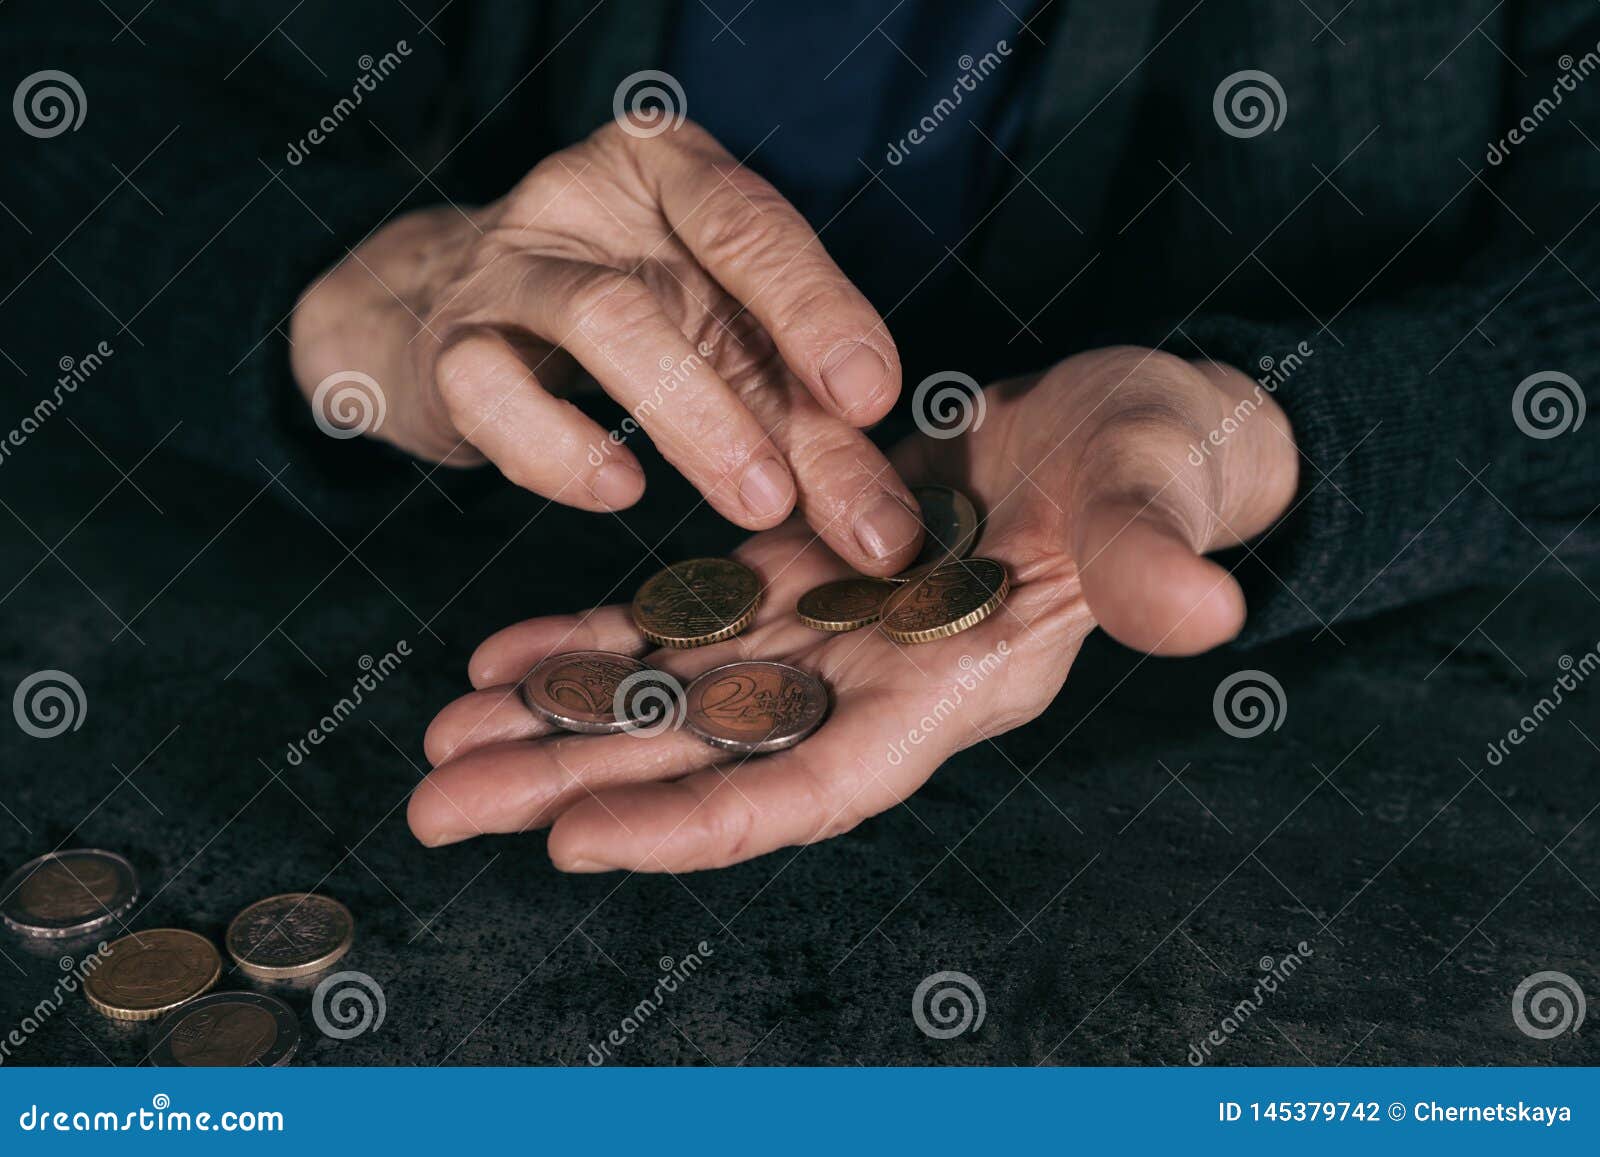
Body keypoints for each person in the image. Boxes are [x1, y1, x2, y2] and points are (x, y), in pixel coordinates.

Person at [4, 2, 1595, 873]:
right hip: (387, 603)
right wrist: (349, 292)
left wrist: (1294, 431)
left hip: (1339, 765)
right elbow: (69, 84)